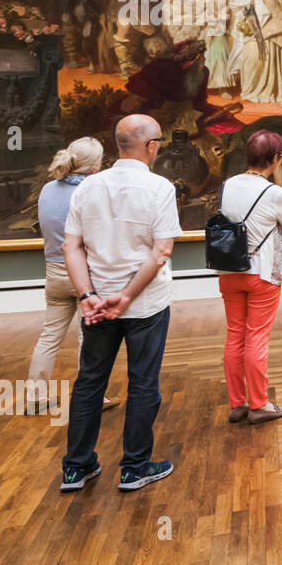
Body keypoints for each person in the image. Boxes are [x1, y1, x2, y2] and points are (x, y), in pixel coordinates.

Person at [59, 115, 183, 493]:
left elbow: (71, 245)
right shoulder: (160, 188)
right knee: (143, 382)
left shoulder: (87, 186)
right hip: (145, 306)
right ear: (150, 146)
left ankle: (75, 469)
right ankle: (134, 468)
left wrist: (88, 296)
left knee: (89, 383)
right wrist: (127, 296)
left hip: (97, 305)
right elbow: (161, 251)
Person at [25, 137, 119, 414]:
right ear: (93, 167)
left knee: (49, 336)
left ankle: (35, 398)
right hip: (84, 272)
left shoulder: (46, 190)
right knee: (88, 337)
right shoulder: (93, 193)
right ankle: (94, 399)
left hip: (53, 270)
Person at [216, 131, 282, 425]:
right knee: (256, 338)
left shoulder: (227, 185)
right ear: (276, 158)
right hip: (261, 273)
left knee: (234, 336)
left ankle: (237, 404)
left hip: (228, 271)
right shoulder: (274, 192)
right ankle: (260, 404)